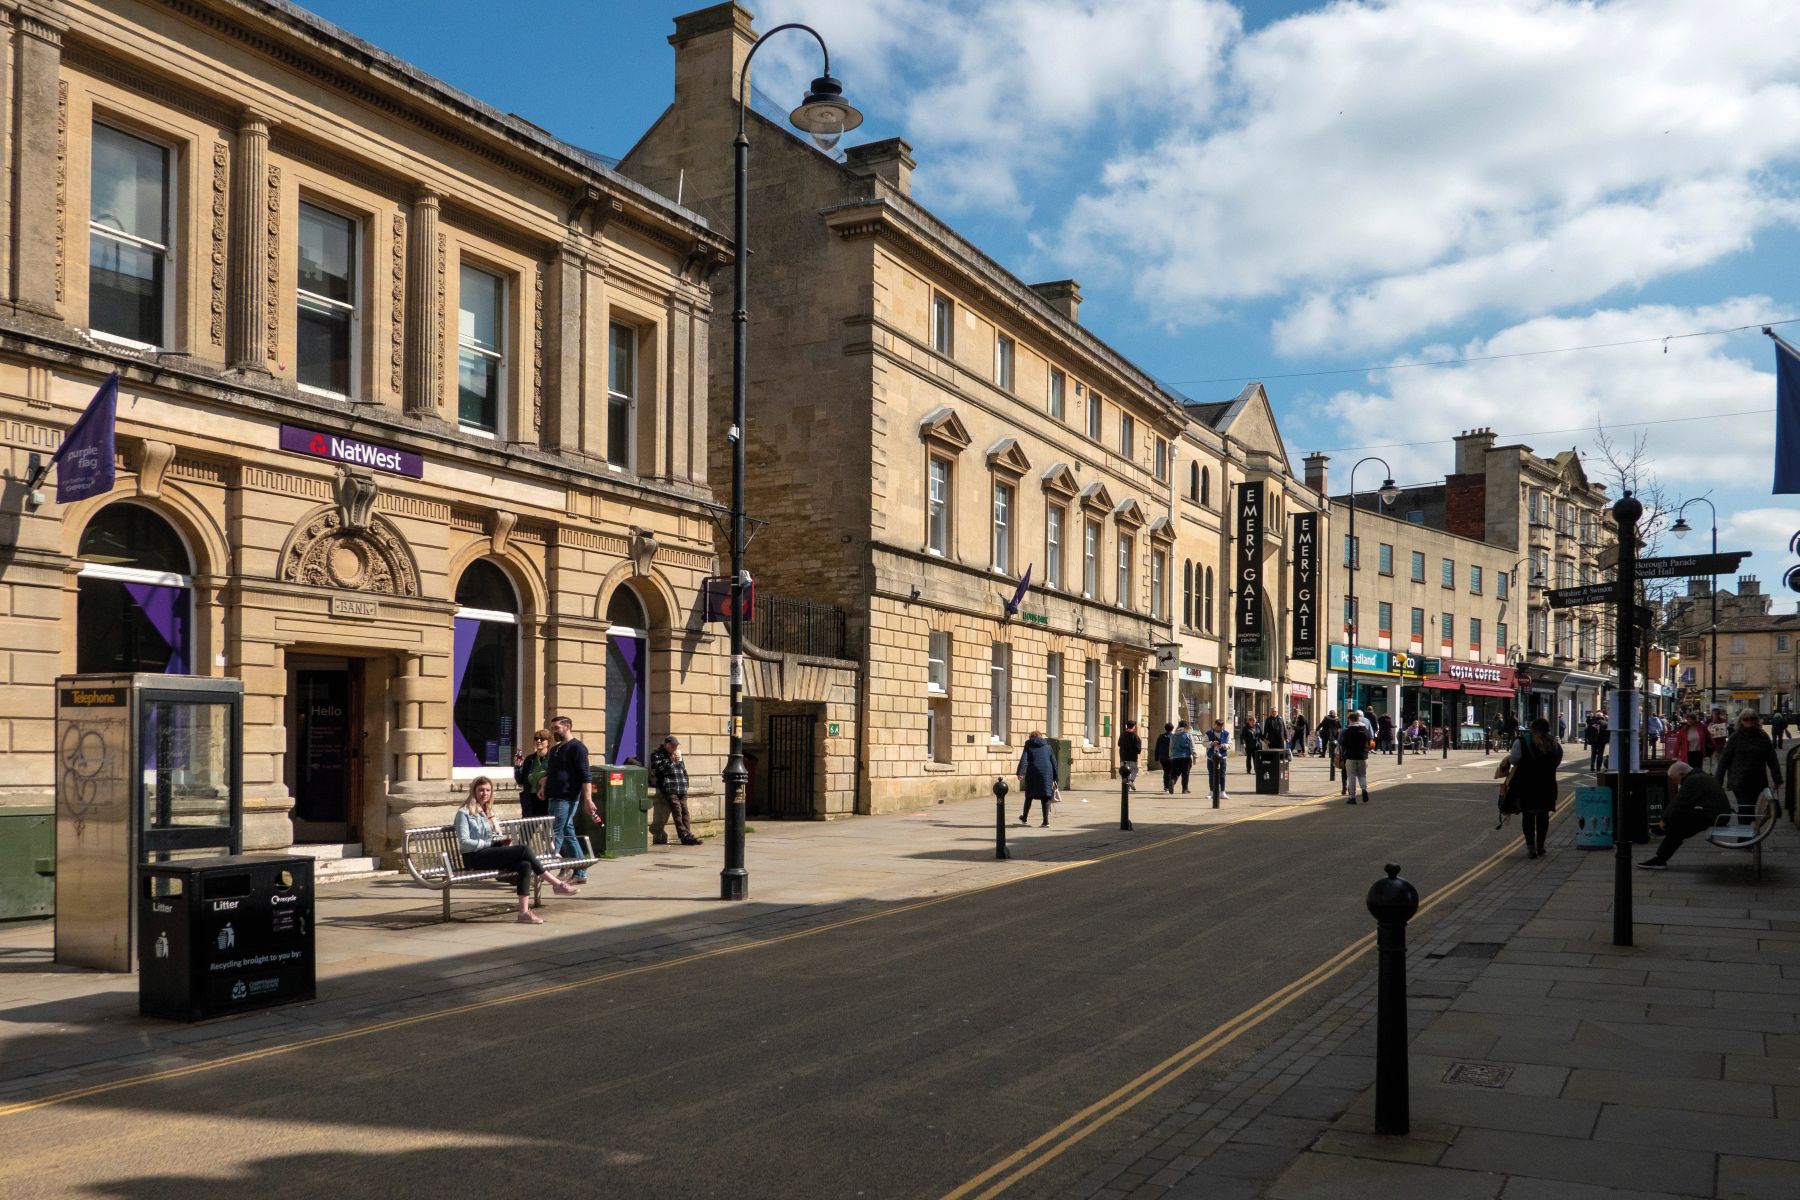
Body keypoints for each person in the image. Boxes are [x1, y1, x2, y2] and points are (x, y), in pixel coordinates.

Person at [455, 776, 580, 923]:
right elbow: (464, 842)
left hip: (489, 853)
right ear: (474, 791)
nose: (485, 793)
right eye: (481, 790)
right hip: (474, 857)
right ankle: (557, 884)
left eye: (488, 790)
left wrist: (500, 841)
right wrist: (490, 843)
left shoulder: (488, 811)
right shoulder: (464, 813)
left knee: (524, 865)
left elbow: (495, 835)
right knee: (523, 850)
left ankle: (523, 913)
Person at [1638, 760, 1731, 869]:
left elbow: (1679, 802)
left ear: (1682, 774)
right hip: (1717, 815)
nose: (1675, 782)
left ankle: (1660, 854)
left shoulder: (1693, 780)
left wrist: (1664, 820)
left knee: (1677, 824)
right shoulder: (1700, 776)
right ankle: (1661, 855)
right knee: (1678, 826)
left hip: (1715, 816)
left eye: (1675, 779)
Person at [1495, 717, 1563, 858]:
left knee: (1528, 815)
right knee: (1543, 816)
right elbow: (1557, 761)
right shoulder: (1555, 744)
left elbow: (1514, 759)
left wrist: (1508, 759)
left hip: (1526, 785)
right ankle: (1541, 846)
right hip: (1547, 785)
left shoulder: (1521, 742)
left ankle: (1531, 847)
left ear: (1532, 729)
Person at [541, 715, 598, 883]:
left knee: (555, 833)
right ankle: (581, 873)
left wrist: (588, 799)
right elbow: (551, 773)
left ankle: (541, 872)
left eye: (556, 728)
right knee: (568, 833)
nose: (553, 731)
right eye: (552, 728)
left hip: (567, 798)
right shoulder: (554, 749)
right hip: (553, 796)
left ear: (567, 727)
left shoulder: (578, 748)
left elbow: (586, 776)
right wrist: (544, 787)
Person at [1715, 710, 1783, 823]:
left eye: (1752, 718)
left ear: (1757, 720)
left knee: (1749, 810)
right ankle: (1744, 832)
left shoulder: (1763, 737)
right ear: (1741, 721)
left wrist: (1777, 778)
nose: (1749, 721)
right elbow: (1724, 760)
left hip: (1757, 780)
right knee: (1745, 809)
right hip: (1739, 780)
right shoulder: (1735, 737)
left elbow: (1772, 759)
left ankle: (1749, 830)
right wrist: (1718, 780)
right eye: (1746, 719)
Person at [649, 735, 701, 846]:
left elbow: (683, 770)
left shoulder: (677, 754)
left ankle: (688, 835)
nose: (675, 748)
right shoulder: (657, 754)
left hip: (681, 786)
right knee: (677, 811)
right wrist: (671, 761)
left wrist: (686, 783)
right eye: (673, 746)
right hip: (669, 787)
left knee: (685, 811)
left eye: (676, 746)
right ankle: (684, 836)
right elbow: (657, 770)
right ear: (666, 745)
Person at [1016, 730, 1058, 826]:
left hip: (1032, 773)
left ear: (1031, 738)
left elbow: (1024, 759)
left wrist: (1020, 772)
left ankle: (1024, 818)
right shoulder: (1048, 746)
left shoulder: (1028, 746)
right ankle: (1045, 822)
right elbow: (1054, 762)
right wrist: (1055, 777)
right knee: (1045, 796)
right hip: (1046, 773)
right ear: (1041, 737)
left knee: (1029, 796)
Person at [512, 729, 552, 820]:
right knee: (527, 827)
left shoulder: (553, 758)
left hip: (547, 799)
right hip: (530, 800)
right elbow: (520, 781)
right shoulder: (530, 759)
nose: (538, 741)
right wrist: (517, 766)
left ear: (548, 742)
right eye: (536, 738)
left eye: (542, 739)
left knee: (548, 827)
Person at [1338, 710, 1373, 804]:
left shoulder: (1348, 731)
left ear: (1350, 720)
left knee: (1351, 776)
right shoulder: (1365, 729)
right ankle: (1364, 789)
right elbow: (1370, 741)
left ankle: (1352, 797)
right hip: (1363, 756)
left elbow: (1342, 743)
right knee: (1362, 775)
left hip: (1351, 756)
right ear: (1358, 719)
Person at [1205, 718, 1230, 800]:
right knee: (1211, 774)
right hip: (1211, 757)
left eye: (1221, 726)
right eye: (1218, 726)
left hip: (1222, 757)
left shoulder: (1226, 734)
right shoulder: (1208, 733)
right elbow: (1204, 742)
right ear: (1215, 725)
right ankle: (1211, 791)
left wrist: (1223, 745)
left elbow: (1229, 744)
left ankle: (1222, 792)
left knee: (1222, 774)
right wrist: (1211, 743)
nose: (1219, 728)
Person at [1168, 721, 1196, 795]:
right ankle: (1185, 789)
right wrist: (1194, 756)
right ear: (1186, 727)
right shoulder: (1188, 735)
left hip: (1175, 758)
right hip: (1185, 757)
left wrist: (1170, 756)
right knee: (1185, 774)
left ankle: (1172, 781)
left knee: (1175, 773)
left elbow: (1171, 747)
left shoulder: (1173, 736)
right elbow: (1192, 747)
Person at [1118, 719, 1142, 792]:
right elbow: (1138, 748)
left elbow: (1119, 744)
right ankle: (1130, 781)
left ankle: (1126, 785)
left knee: (1124, 771)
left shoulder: (1122, 734)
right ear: (1134, 726)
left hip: (1123, 756)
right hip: (1132, 757)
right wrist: (1137, 751)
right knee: (1134, 769)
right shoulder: (1135, 736)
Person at [1153, 722, 1175, 794]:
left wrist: (1156, 757)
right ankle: (1170, 784)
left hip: (1162, 757)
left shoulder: (1161, 736)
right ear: (1172, 729)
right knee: (1171, 771)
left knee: (1166, 771)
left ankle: (1166, 786)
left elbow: (1157, 747)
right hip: (1171, 757)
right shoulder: (1173, 737)